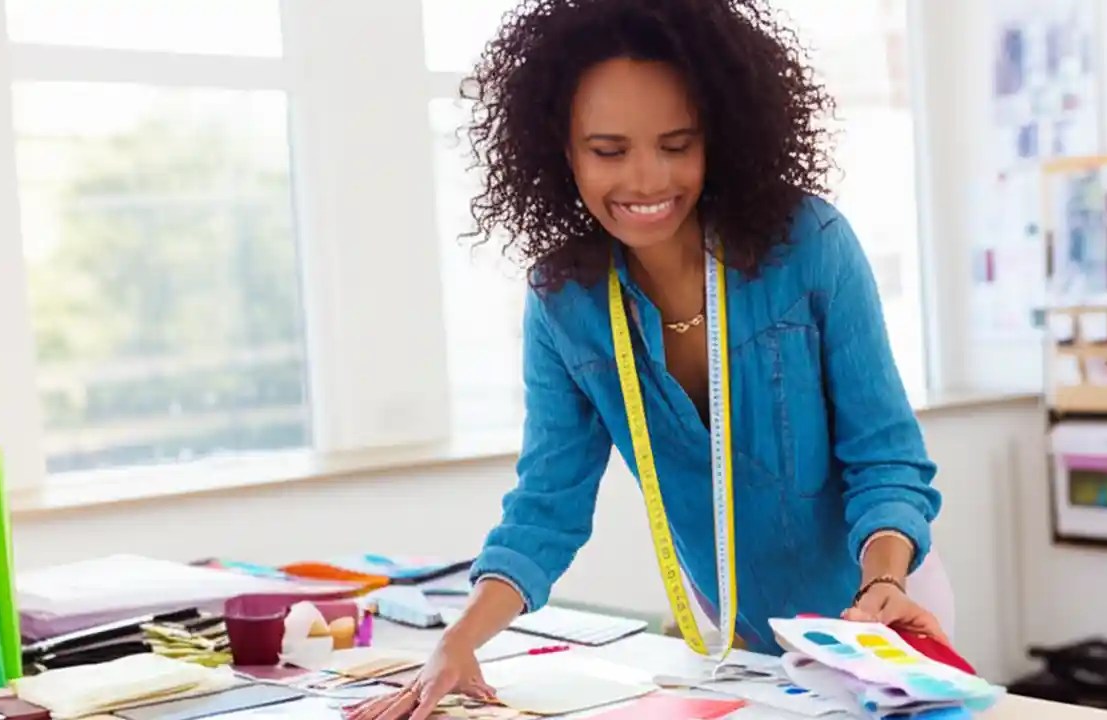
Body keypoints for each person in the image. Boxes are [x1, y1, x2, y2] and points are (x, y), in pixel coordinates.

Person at [348, 1, 942, 718]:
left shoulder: (809, 244)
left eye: (676, 143)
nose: (646, 179)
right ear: (561, 151)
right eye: (608, 150)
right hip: (737, 640)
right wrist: (458, 639)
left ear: (716, 138)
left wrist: (883, 582)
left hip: (882, 610)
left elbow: (885, 457)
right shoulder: (564, 303)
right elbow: (547, 507)